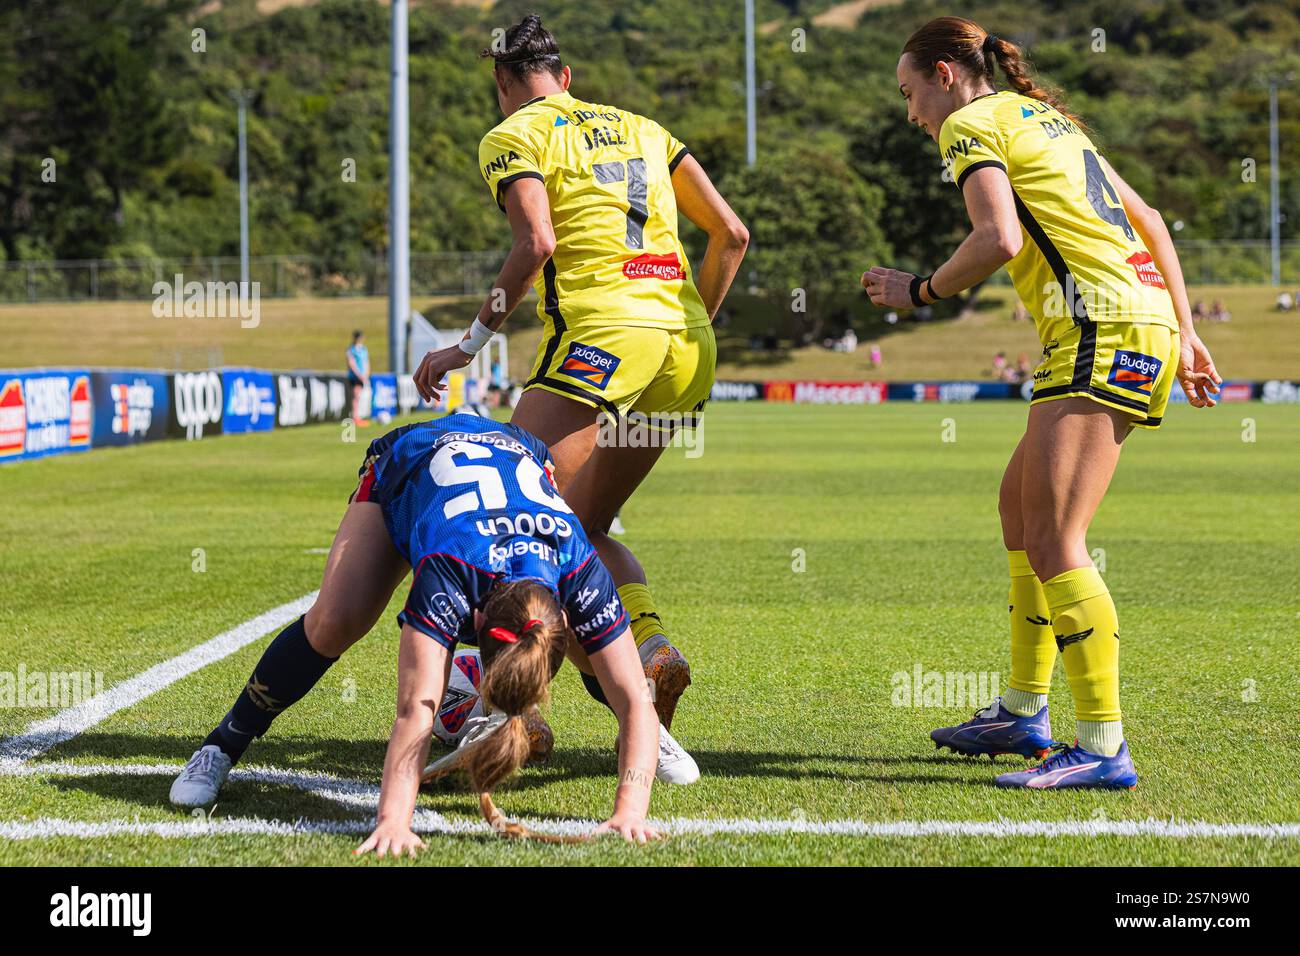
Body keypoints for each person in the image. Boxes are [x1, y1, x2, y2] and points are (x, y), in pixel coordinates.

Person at [863, 17, 1220, 790]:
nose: (912, 112)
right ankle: (1024, 711)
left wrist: (917, 289)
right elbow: (1149, 221)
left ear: (945, 75)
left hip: (1104, 328)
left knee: (1057, 538)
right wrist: (1185, 334)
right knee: (1020, 518)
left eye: (910, 91)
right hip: (1128, 322)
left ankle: (1100, 746)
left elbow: (998, 239)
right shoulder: (1049, 119)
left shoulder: (968, 124)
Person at [410, 15, 748, 733]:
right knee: (583, 524)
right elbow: (732, 234)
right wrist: (688, 326)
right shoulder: (646, 128)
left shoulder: (514, 135)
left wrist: (464, 347)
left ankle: (512, 714)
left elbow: (536, 242)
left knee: (513, 530)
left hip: (602, 339)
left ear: (504, 84)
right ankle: (650, 647)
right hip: (686, 349)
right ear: (565, 78)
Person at [169, 414, 700, 846]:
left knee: (617, 670)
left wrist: (631, 807)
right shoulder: (448, 573)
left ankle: (646, 742)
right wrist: (394, 821)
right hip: (413, 463)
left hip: (518, 453)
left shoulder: (579, 565)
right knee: (336, 620)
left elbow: (635, 699)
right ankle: (222, 745)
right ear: (471, 621)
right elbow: (414, 708)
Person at [347, 330, 370, 426]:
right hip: (355, 376)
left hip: (363, 376)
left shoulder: (364, 349)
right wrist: (359, 375)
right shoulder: (351, 350)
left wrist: (366, 374)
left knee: (358, 396)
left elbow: (366, 362)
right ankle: (355, 417)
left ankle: (357, 416)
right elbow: (351, 364)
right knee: (355, 396)